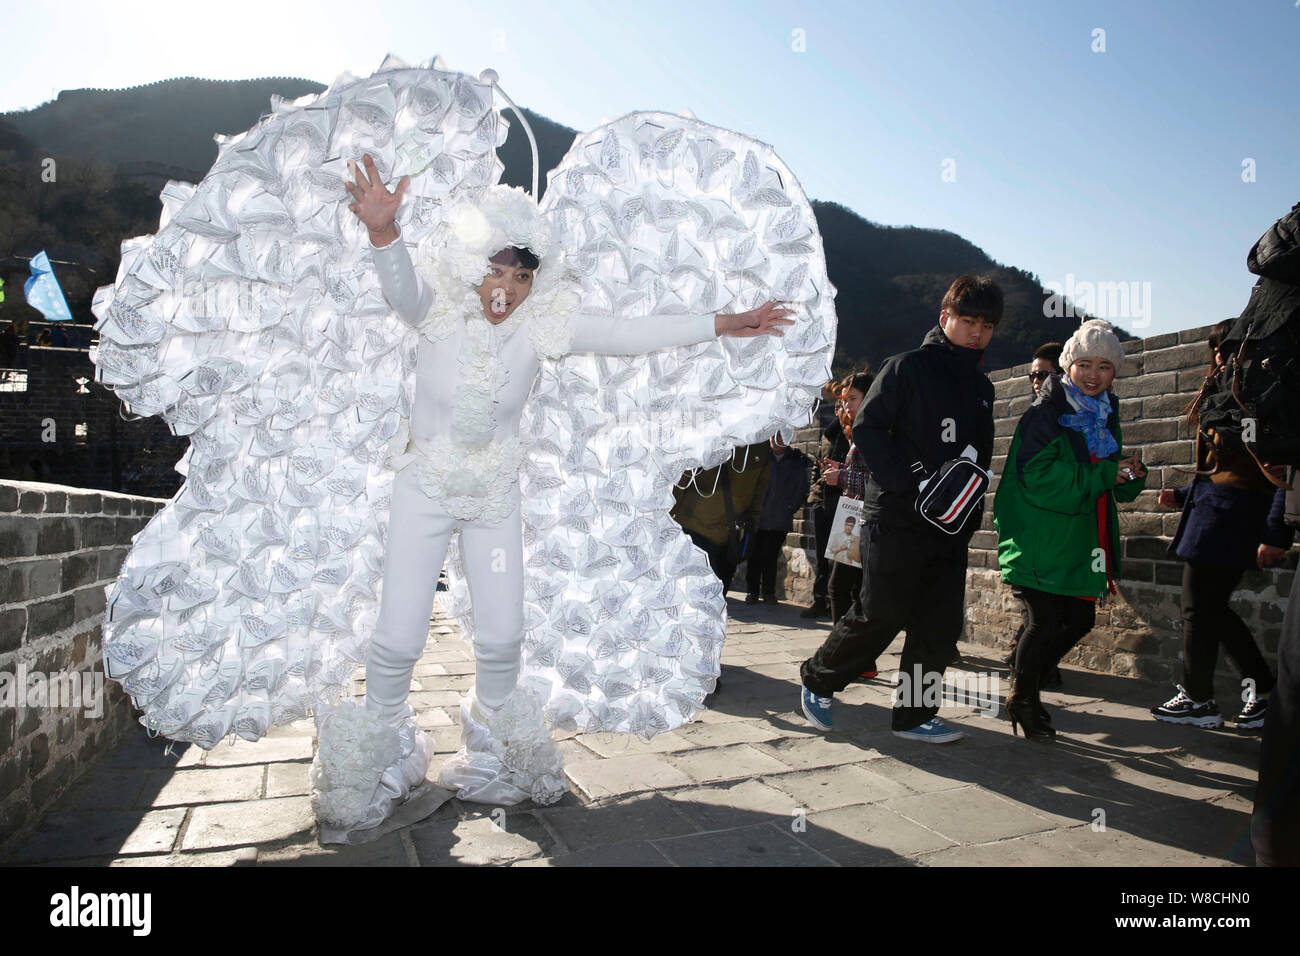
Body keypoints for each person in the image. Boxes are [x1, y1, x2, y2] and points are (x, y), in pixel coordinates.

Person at [329, 158, 794, 830]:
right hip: (423, 489)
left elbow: (630, 334)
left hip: (494, 496)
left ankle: (494, 758)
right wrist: (382, 233)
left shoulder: (543, 328)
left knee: (503, 633)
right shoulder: (439, 313)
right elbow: (401, 288)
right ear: (471, 266)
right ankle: (373, 760)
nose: (509, 286)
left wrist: (722, 323)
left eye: (523, 274)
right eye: (498, 269)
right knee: (398, 635)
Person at [798, 276, 1000, 741]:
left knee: (938, 623)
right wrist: (909, 481)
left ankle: (914, 714)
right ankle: (817, 679)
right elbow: (868, 430)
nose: (977, 333)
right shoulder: (905, 368)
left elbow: (981, 456)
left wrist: (967, 514)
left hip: (949, 525)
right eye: (968, 321)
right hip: (896, 516)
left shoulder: (981, 387)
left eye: (986, 325)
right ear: (945, 317)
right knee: (881, 612)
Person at [994, 319, 1147, 740]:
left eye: (1104, 366)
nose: (1094, 375)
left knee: (1078, 618)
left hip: (1080, 534)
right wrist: (1104, 476)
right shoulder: (1046, 414)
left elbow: (1110, 483)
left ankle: (1026, 681)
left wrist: (1130, 475)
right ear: (1067, 366)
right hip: (1038, 531)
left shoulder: (1103, 414)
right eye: (1084, 364)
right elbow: (1038, 479)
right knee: (1044, 620)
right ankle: (1023, 699)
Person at [1150, 320, 1293, 730]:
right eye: (1216, 349)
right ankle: (1262, 693)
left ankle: (1200, 699)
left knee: (1200, 609)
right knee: (1211, 610)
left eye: (1229, 350)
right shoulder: (1224, 393)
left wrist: (1275, 529)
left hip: (1235, 517)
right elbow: (1217, 468)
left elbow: (1283, 468)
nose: (1220, 357)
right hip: (1212, 512)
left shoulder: (1264, 395)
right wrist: (1181, 495)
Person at [1003, 341, 1066, 685]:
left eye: (1043, 374)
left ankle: (1026, 662)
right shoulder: (1037, 416)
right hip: (1030, 522)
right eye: (1033, 375)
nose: (1036, 381)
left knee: (1054, 608)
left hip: (1058, 524)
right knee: (1038, 605)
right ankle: (1025, 673)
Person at [673, 442, 772, 594]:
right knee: (711, 601)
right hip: (715, 532)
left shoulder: (712, 428)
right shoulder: (761, 442)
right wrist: (751, 527)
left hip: (704, 529)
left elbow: (681, 478)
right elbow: (760, 495)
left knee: (701, 602)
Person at [801, 378, 854, 619]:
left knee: (840, 563)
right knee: (823, 556)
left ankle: (841, 608)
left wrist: (840, 474)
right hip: (823, 501)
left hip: (845, 505)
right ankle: (820, 600)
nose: (842, 409)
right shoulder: (829, 435)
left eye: (849, 402)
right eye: (840, 405)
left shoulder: (855, 436)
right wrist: (815, 491)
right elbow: (817, 467)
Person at [746, 434, 809, 604]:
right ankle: (752, 591)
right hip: (759, 516)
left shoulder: (795, 460)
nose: (776, 439)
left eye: (781, 435)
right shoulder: (761, 457)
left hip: (780, 518)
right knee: (754, 555)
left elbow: (801, 488)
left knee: (770, 557)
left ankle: (768, 592)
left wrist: (791, 508)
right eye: (774, 435)